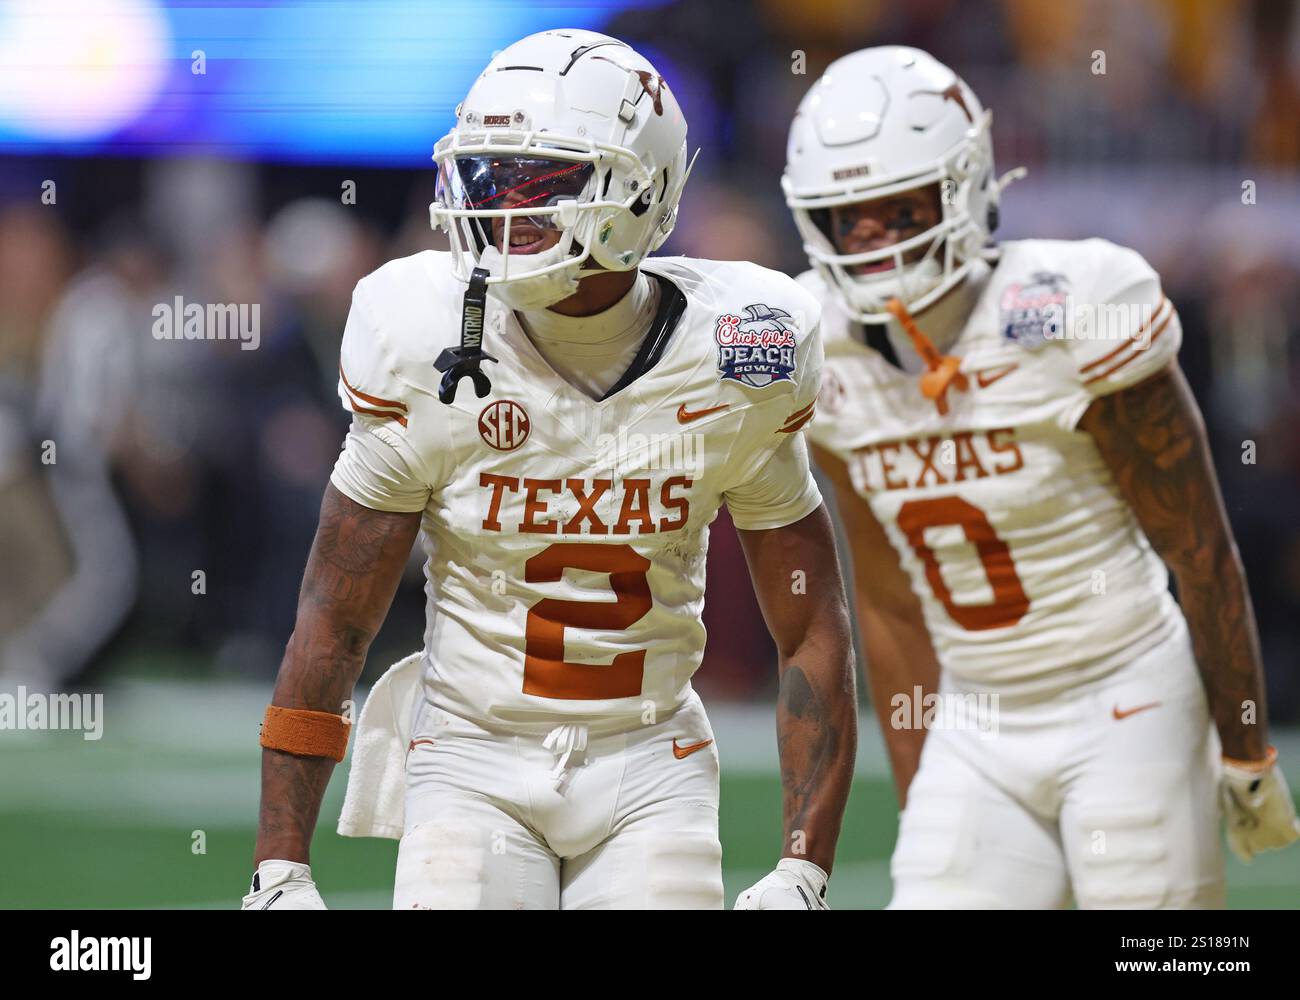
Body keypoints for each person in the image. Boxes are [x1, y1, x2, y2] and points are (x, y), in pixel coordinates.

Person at [242, 28, 856, 910]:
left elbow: (811, 622)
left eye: (541, 180)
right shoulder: (420, 336)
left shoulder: (741, 347)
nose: (502, 204)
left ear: (639, 192)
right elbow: (333, 618)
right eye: (490, 176)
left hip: (650, 762)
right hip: (470, 754)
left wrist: (803, 866)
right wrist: (279, 867)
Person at [783, 45, 1299, 908]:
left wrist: (1246, 746)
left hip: (1126, 692)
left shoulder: (1073, 308)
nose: (872, 236)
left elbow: (1200, 545)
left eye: (897, 206)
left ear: (964, 188)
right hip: (975, 719)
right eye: (848, 216)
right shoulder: (819, 352)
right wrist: (923, 794)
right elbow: (889, 598)